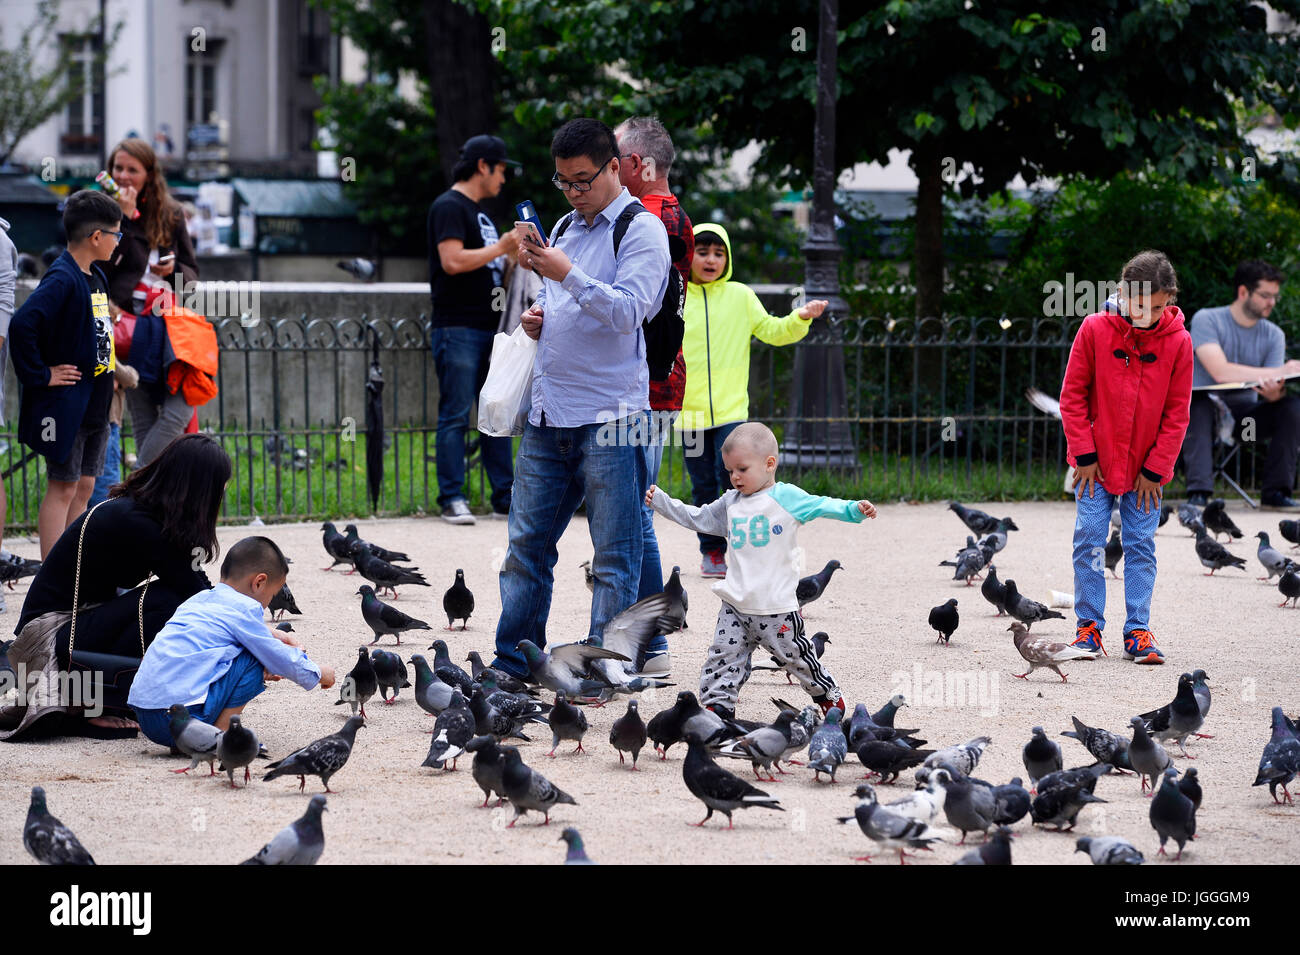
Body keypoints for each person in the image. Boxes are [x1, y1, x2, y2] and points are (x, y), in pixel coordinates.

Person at [489, 118, 670, 680]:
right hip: (549, 413)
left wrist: (567, 277)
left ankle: (604, 666)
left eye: (582, 180)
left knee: (615, 556)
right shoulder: (565, 224)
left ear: (615, 167)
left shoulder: (643, 231)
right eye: (562, 181)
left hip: (613, 415)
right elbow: (568, 303)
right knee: (525, 550)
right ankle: (515, 658)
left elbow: (629, 311)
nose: (571, 191)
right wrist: (543, 317)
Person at [0, 434, 231, 741]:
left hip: (69, 629)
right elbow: (198, 595)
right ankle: (90, 705)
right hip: (46, 637)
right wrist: (259, 636)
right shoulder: (139, 522)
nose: (223, 491)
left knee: (170, 598)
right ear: (198, 487)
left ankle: (115, 698)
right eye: (219, 484)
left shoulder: (146, 514)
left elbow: (199, 584)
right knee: (165, 600)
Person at [646, 421, 869, 720]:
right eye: (729, 471)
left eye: (742, 469)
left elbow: (822, 504)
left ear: (769, 464)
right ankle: (718, 708)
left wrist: (854, 510)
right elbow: (697, 517)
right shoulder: (730, 503)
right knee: (723, 657)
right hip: (735, 604)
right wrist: (663, 503)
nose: (735, 477)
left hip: (775, 607)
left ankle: (828, 695)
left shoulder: (787, 498)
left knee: (798, 658)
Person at [1061, 250, 1193, 666]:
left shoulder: (1179, 342)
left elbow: (1178, 414)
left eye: (1157, 307)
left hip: (1146, 472)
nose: (1146, 316)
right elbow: (1072, 397)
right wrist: (1083, 455)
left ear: (1170, 298)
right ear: (1121, 293)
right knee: (1088, 540)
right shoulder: (1094, 329)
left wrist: (1156, 470)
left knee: (1140, 545)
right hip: (1094, 466)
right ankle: (1088, 628)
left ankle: (1137, 630)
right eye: (1138, 305)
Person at [678, 223, 828, 578]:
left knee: (734, 480)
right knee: (702, 487)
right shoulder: (676, 295)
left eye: (719, 253)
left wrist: (800, 318)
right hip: (689, 413)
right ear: (690, 255)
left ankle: (743, 548)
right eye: (703, 252)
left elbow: (773, 331)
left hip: (732, 413)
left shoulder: (740, 296)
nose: (711, 259)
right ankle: (712, 553)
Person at [615, 116, 694, 670]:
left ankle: (654, 643)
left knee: (636, 507)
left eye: (613, 156)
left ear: (639, 164)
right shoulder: (672, 214)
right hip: (656, 383)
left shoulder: (649, 216)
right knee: (632, 503)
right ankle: (651, 641)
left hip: (647, 385)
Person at [128, 536, 335, 748]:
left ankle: (195, 741)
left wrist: (278, 636)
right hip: (180, 721)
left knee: (247, 651)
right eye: (271, 595)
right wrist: (319, 672)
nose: (268, 603)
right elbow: (278, 657)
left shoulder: (199, 600)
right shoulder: (246, 607)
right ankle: (221, 736)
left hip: (146, 714)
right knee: (255, 655)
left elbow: (235, 627)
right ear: (259, 582)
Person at [8, 191, 120, 559]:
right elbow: (23, 324)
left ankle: (72, 570)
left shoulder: (95, 275)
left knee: (85, 485)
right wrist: (41, 374)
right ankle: (51, 580)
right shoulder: (62, 278)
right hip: (68, 404)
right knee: (63, 487)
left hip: (95, 403)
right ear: (96, 237)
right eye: (116, 234)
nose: (118, 241)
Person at [428, 134, 520, 524]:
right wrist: (501, 248)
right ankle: (452, 497)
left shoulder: (481, 213)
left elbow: (488, 264)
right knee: (455, 414)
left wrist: (515, 257)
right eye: (501, 169)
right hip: (458, 326)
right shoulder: (449, 206)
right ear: (483, 165)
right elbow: (451, 261)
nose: (503, 179)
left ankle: (504, 496)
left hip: (489, 326)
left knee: (495, 412)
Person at [100, 137, 201, 468]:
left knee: (178, 408)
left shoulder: (170, 213)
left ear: (149, 173)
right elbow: (99, 267)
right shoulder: (101, 210)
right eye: (118, 168)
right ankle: (144, 495)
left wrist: (172, 271)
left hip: (165, 322)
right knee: (141, 415)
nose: (124, 176)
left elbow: (192, 277)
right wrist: (123, 222)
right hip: (123, 324)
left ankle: (138, 483)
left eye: (133, 169)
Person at [1180, 261, 1300, 510]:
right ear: (1243, 292)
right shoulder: (1207, 319)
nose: (1272, 303)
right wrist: (1282, 370)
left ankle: (1275, 493)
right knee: (1197, 403)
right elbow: (1220, 372)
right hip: (1202, 424)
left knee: (1291, 407)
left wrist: (1274, 393)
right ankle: (1199, 494)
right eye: (1265, 295)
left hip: (1246, 428)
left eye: (1275, 296)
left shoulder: (1274, 335)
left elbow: (1273, 386)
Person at [87, 361, 140, 508]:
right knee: (106, 479)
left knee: (93, 478)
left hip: (100, 416)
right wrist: (112, 378)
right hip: (106, 418)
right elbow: (131, 378)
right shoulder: (103, 341)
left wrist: (116, 380)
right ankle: (102, 524)